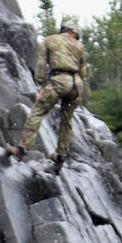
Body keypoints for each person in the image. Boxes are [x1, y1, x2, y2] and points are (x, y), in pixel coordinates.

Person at [8, 17, 87, 174]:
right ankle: (60, 159)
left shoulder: (50, 40)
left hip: (59, 81)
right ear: (74, 33)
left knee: (37, 112)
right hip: (76, 85)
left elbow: (41, 64)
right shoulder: (80, 47)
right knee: (67, 122)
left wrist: (42, 85)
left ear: (64, 30)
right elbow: (83, 72)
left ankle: (21, 150)